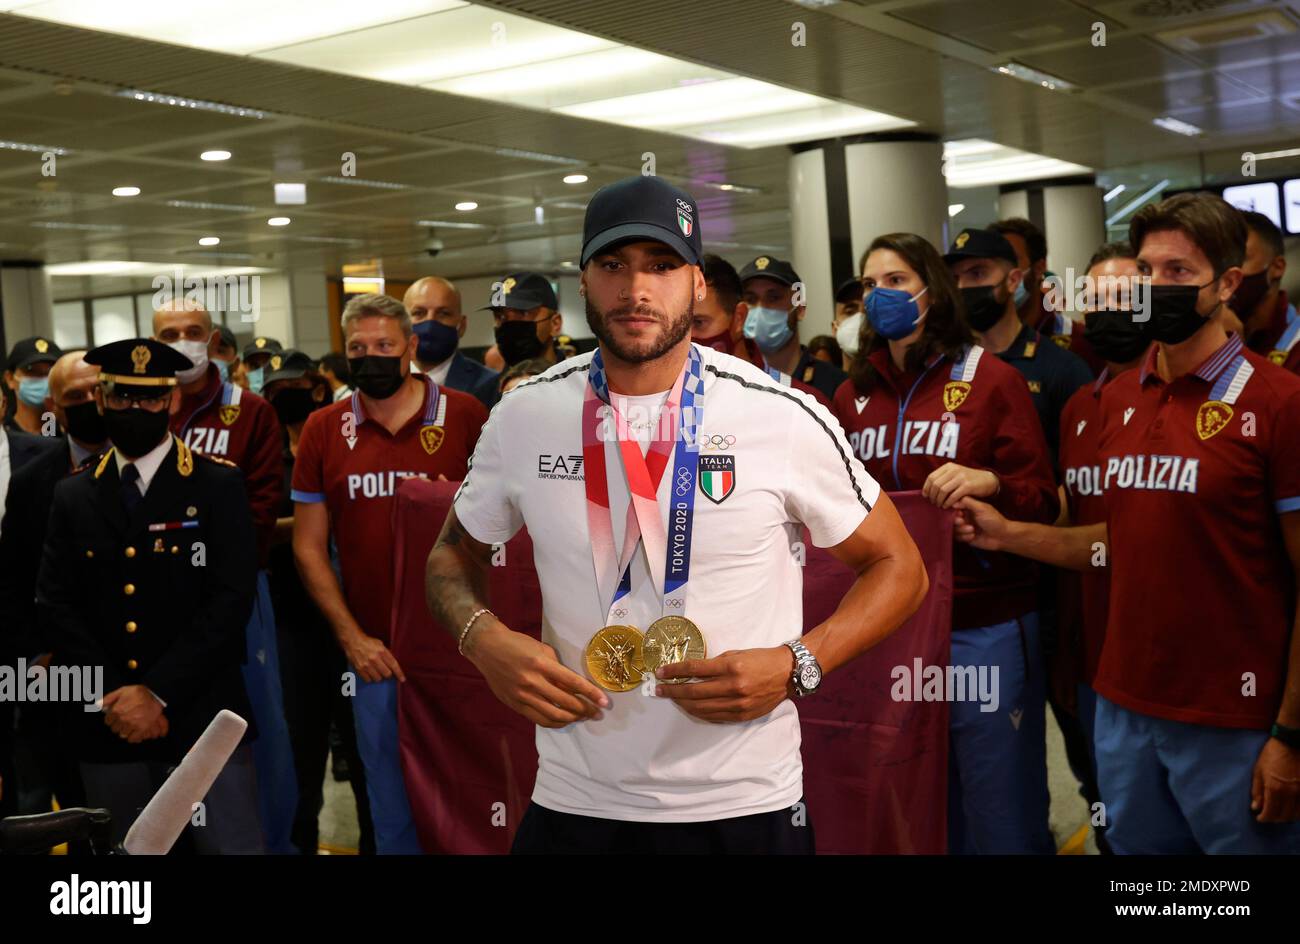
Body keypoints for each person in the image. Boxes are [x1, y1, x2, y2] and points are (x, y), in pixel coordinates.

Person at [425, 174, 927, 855]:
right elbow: (452, 553)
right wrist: (480, 639)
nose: (636, 291)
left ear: (697, 284)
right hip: (577, 800)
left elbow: (900, 567)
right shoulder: (524, 415)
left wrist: (798, 662)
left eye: (661, 267)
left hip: (744, 802)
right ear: (584, 283)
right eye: (614, 266)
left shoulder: (780, 415)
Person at [958, 192, 1300, 852]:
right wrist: (1006, 534)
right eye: (1148, 270)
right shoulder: (1115, 397)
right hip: (1121, 705)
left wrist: (1290, 734)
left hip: (1234, 715)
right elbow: (1121, 544)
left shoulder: (1279, 403)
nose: (1157, 286)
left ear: (1228, 282)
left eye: (1180, 272)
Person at [831, 231, 1059, 854]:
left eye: (897, 281)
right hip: (891, 628)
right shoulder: (852, 395)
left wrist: (992, 481)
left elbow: (1043, 497)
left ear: (933, 290)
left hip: (981, 621)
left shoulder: (992, 381)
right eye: (870, 284)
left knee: (999, 802)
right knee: (919, 794)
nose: (882, 296)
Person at [953, 242, 1148, 855]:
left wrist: (1008, 531)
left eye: (1127, 296)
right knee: (1111, 800)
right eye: (1098, 298)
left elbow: (1122, 543)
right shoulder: (1089, 403)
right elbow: (1066, 508)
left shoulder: (1065, 375)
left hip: (1176, 651)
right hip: (1085, 637)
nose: (1110, 310)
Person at [35, 337, 264, 851]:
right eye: (121, 398)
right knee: (125, 880)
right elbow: (56, 605)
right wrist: (120, 699)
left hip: (203, 720)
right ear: (101, 400)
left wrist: (155, 694)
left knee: (232, 848)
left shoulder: (216, 486)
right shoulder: (74, 494)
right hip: (107, 722)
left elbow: (229, 603)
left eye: (150, 399)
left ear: (173, 401)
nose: (134, 410)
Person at [292, 293, 488, 854]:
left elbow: (499, 532)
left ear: (411, 347)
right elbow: (308, 547)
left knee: (468, 796)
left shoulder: (465, 414)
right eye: (358, 348)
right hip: (375, 653)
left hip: (458, 646)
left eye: (384, 346)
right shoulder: (324, 428)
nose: (371, 357)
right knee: (388, 802)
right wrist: (351, 637)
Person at [154, 300, 295, 853]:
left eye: (194, 331)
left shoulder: (250, 410)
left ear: (213, 339)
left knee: (254, 727)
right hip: (158, 597)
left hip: (236, 591)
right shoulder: (144, 405)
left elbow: (261, 509)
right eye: (170, 333)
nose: (183, 340)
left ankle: (270, 841)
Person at [260, 350, 374, 855]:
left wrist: (306, 522)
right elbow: (253, 530)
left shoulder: (344, 443)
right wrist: (306, 523)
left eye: (298, 385)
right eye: (278, 386)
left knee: (366, 756)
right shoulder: (266, 455)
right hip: (291, 625)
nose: (289, 393)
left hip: (356, 622)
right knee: (298, 759)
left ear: (319, 388)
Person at [0, 351, 107, 828]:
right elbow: (13, 582)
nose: (88, 404)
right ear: (56, 412)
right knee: (73, 807)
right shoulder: (30, 483)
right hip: (59, 679)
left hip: (145, 679)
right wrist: (36, 657)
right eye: (74, 398)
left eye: (95, 392)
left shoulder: (160, 467)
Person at [946, 228, 1094, 464]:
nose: (963, 288)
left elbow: (1082, 469)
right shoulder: (943, 367)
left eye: (977, 273)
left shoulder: (1062, 368)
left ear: (1013, 280)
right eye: (955, 279)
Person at [692, 254, 831, 406]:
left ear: (739, 317)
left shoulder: (799, 405)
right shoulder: (672, 398)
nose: (687, 336)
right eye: (751, 298)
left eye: (698, 322)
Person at [989, 218, 1104, 375]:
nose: (1001, 274)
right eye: (991, 265)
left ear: (1038, 268)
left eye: (1011, 261)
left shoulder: (1080, 342)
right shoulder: (975, 344)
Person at [739, 255, 848, 402]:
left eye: (773, 298)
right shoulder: (734, 381)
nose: (760, 309)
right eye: (751, 300)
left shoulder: (835, 385)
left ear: (800, 309)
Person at [403, 276, 501, 409]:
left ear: (461, 326)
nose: (430, 322)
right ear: (402, 323)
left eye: (443, 313)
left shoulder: (491, 385)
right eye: (419, 313)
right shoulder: (381, 382)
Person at [1235, 210, 1299, 375]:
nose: (1229, 272)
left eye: (1240, 259)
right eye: (1221, 261)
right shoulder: (1206, 338)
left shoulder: (1296, 344)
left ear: (1277, 267)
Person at [482, 272, 566, 369]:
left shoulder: (579, 380)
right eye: (500, 316)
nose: (510, 325)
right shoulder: (492, 381)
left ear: (555, 324)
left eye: (523, 313)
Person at [4, 336, 63, 435]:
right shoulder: (4, 434)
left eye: (51, 371)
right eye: (31, 370)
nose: (44, 379)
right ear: (10, 378)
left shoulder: (71, 432)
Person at [832, 276, 864, 371]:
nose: (861, 318)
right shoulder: (825, 384)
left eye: (869, 311)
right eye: (850, 312)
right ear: (834, 329)